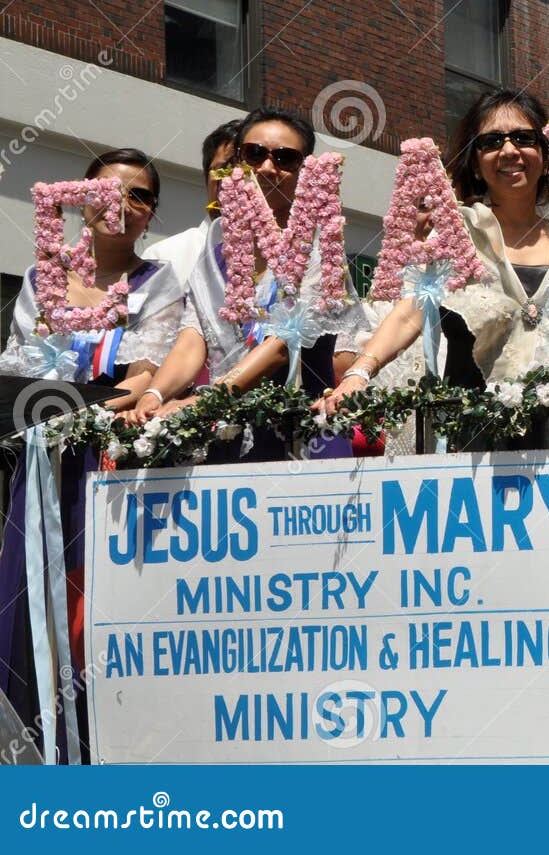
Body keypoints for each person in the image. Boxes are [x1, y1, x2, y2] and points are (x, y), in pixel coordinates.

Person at [313, 90, 549, 445]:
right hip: (474, 438)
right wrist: (358, 374)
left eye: (524, 138)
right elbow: (411, 310)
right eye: (491, 142)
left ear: (547, 157)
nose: (509, 151)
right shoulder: (456, 231)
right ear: (475, 161)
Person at [0, 149, 185, 757]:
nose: (123, 206)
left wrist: (82, 411)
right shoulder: (40, 278)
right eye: (110, 191)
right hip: (37, 460)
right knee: (27, 596)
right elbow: (17, 366)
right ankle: (28, 744)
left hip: (106, 462)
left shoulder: (159, 283)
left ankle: (96, 745)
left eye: (140, 196)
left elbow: (143, 375)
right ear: (80, 198)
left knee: (91, 601)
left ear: (151, 213)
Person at [125, 109, 370, 458]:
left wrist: (202, 402)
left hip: (301, 436)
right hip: (225, 429)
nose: (268, 168)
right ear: (236, 164)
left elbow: (282, 345)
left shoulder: (320, 247)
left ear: (304, 172)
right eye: (255, 154)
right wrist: (155, 395)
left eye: (285, 158)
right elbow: (193, 337)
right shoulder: (217, 249)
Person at [144, 119, 241, 284]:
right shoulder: (163, 257)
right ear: (207, 177)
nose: (237, 179)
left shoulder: (287, 258)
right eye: (225, 168)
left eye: (246, 170)